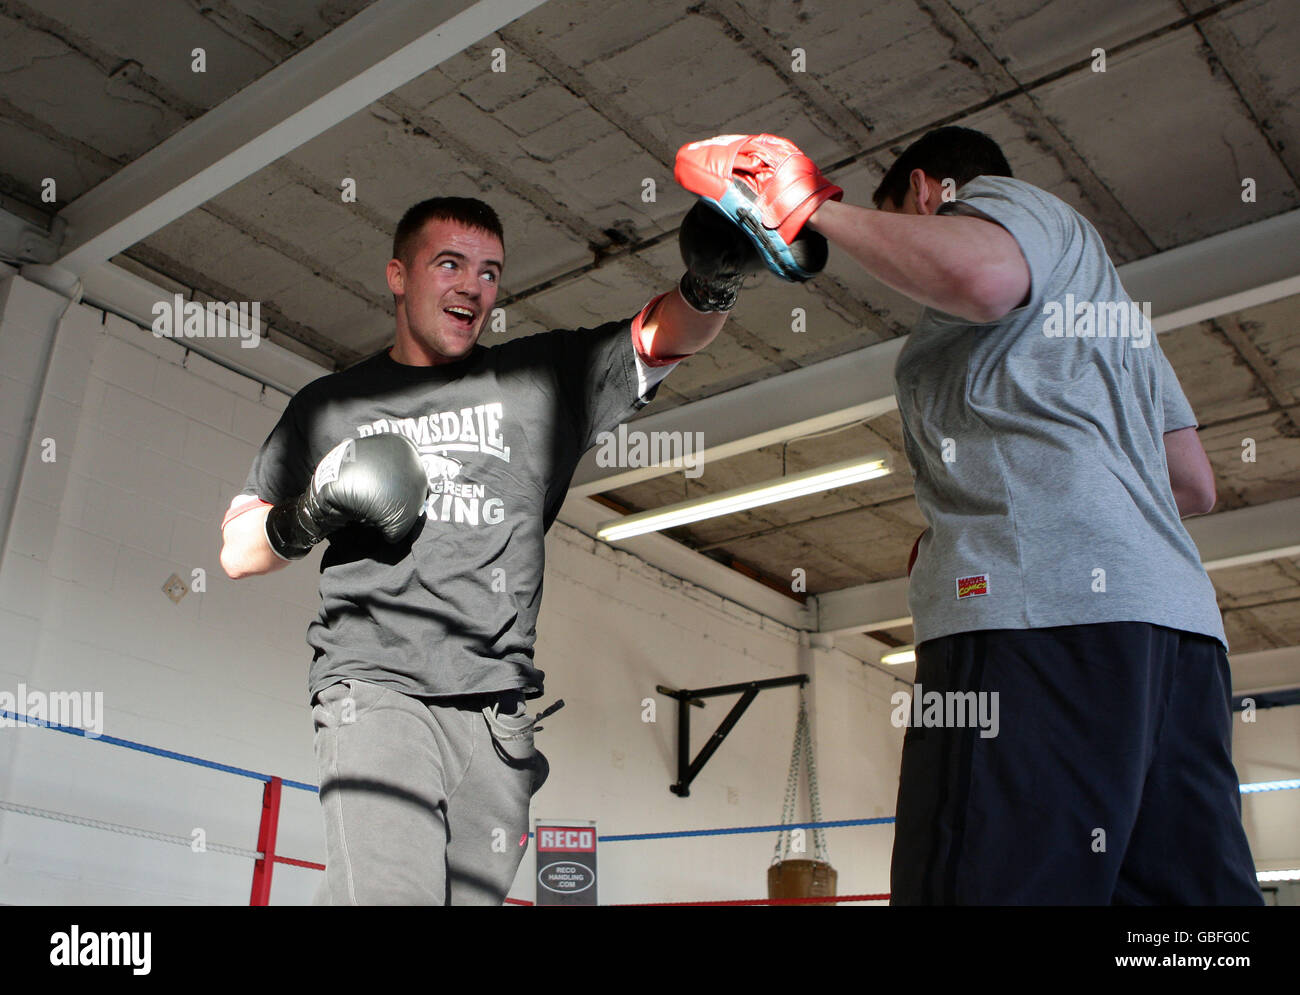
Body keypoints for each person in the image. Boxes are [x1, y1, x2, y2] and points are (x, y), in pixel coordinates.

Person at [675, 128, 1263, 905]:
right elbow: (1191, 482)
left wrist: (807, 207)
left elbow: (982, 277)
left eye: (905, 220)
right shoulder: (1113, 319)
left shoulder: (1018, 211)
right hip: (1176, 641)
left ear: (928, 192)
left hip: (1038, 621)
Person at [218, 195, 759, 904]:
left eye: (490, 272)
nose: (472, 286)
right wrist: (313, 510)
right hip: (379, 691)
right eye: (450, 264)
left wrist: (712, 283)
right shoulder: (331, 405)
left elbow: (662, 337)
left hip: (498, 720)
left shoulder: (541, 381)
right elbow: (236, 548)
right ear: (398, 275)